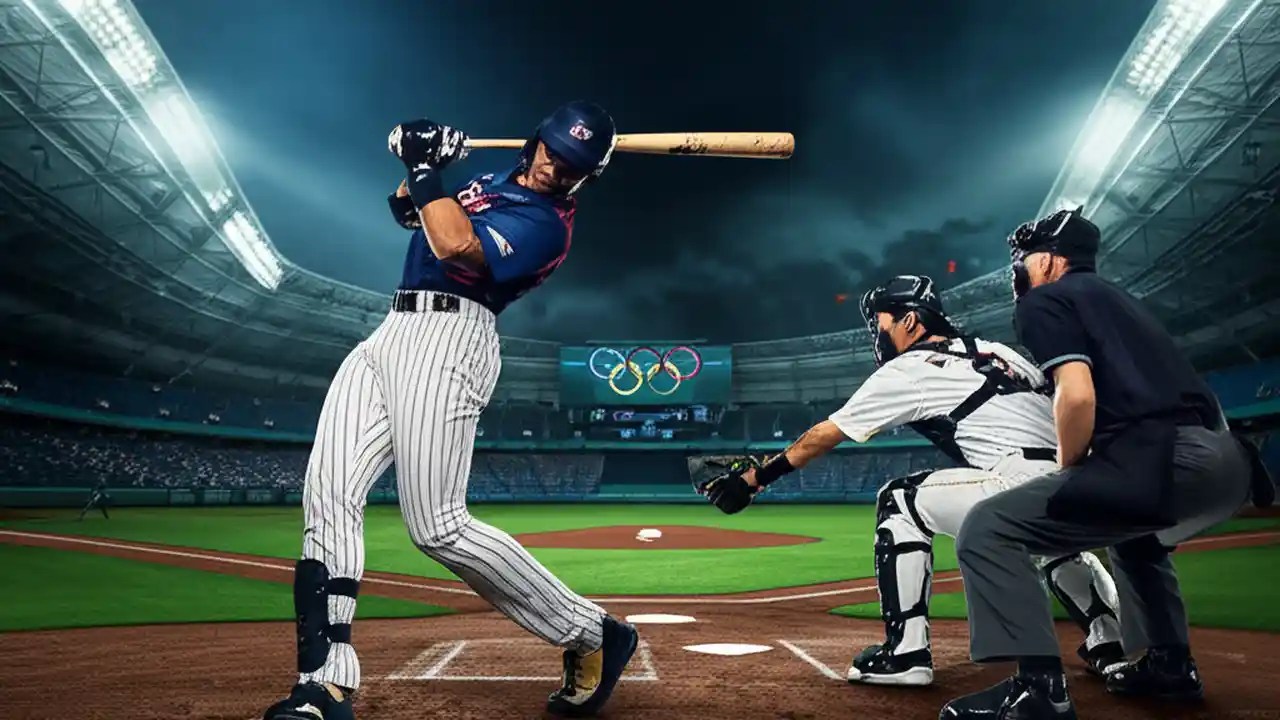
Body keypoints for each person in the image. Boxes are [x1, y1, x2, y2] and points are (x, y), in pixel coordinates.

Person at [262, 102, 638, 720]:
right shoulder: (492, 179)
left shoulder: (548, 225)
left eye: (572, 167)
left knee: (437, 527)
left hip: (452, 341)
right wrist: (422, 157)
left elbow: (455, 244)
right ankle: (323, 685)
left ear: (585, 177)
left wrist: (423, 165)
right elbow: (408, 211)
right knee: (327, 494)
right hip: (391, 330)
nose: (555, 169)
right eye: (552, 152)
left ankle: (592, 633)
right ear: (536, 141)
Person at [694, 274, 1124, 687]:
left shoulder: (910, 368)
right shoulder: (998, 352)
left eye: (881, 323)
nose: (877, 335)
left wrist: (756, 478)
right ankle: (1111, 645)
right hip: (1077, 481)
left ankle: (905, 654)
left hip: (1018, 478)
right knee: (1056, 547)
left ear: (911, 321)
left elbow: (826, 434)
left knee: (899, 500)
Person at [938, 208, 1265, 719]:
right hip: (1231, 461)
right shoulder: (1121, 301)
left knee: (989, 526)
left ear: (1050, 262)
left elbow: (1076, 395)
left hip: (1166, 458)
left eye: (1025, 259)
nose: (1019, 270)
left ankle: (1040, 691)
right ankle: (1170, 667)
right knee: (1135, 539)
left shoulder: (1045, 300)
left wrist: (1070, 468)